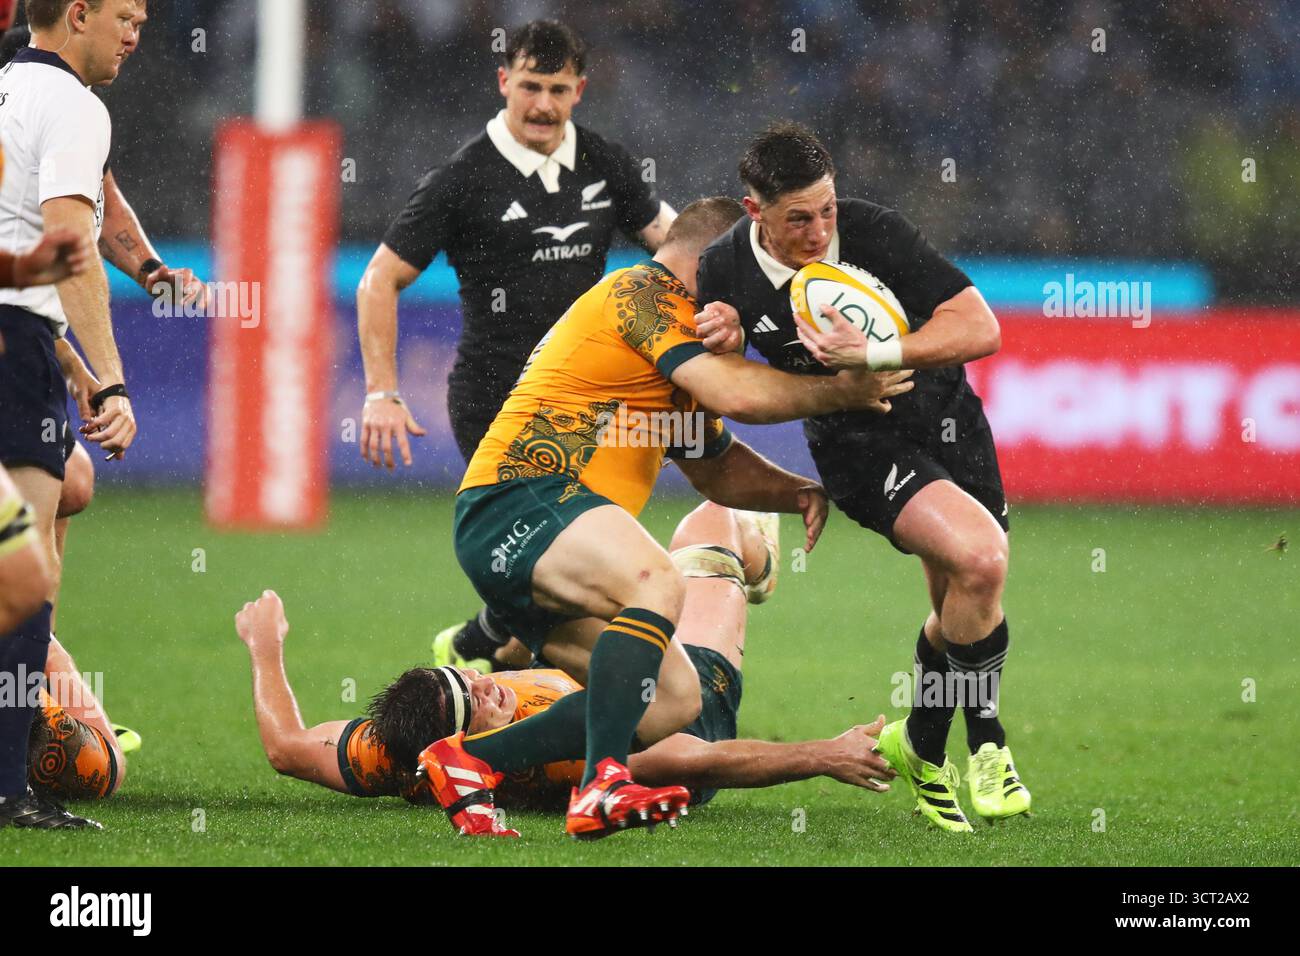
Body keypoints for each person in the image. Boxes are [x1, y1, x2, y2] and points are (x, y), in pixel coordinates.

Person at [417, 196, 911, 839]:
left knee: (671, 701)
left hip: (540, 540)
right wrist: (841, 389)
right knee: (659, 582)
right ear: (714, 257)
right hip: (524, 495)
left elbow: (713, 463)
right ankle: (601, 786)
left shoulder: (675, 344)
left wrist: (797, 492)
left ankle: (466, 762)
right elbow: (735, 393)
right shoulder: (641, 293)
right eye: (744, 266)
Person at [694, 121, 1030, 832]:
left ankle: (920, 746)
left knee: (964, 597)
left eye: (827, 210)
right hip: (858, 446)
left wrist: (881, 349)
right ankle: (989, 743)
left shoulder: (877, 233)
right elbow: (730, 380)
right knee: (980, 559)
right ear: (755, 212)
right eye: (798, 219)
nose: (819, 231)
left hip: (948, 421)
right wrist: (724, 334)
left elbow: (981, 328)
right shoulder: (726, 268)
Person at [357, 20, 684, 672]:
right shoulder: (461, 179)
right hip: (496, 400)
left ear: (579, 90)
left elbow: (679, 248)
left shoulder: (606, 165)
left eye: (558, 89)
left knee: (573, 579)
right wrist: (381, 392)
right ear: (504, 81)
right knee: (559, 569)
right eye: (530, 85)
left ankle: (481, 652)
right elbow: (378, 281)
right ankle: (515, 691)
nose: (542, 104)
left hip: (587, 402)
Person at [234, 504, 895, 813]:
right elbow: (696, 757)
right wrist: (824, 755)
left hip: (590, 672)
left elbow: (287, 748)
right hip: (688, 707)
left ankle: (498, 635)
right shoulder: (560, 751)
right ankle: (758, 561)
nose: (493, 692)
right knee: (711, 525)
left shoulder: (391, 752)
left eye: (472, 682)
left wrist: (266, 647)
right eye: (484, 702)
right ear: (466, 747)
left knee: (567, 610)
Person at [0, 0, 142, 831]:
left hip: (26, 338)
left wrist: (72, 367)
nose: (135, 33)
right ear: (77, 13)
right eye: (124, 16)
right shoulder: (75, 108)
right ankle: (10, 788)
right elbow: (67, 245)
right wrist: (114, 381)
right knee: (23, 578)